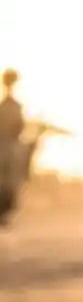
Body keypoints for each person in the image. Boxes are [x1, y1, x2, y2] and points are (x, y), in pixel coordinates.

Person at [0, 69, 27, 223]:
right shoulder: (9, 106)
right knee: (7, 181)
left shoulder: (12, 106)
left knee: (11, 181)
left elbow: (20, 128)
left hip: (10, 146)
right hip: (7, 146)